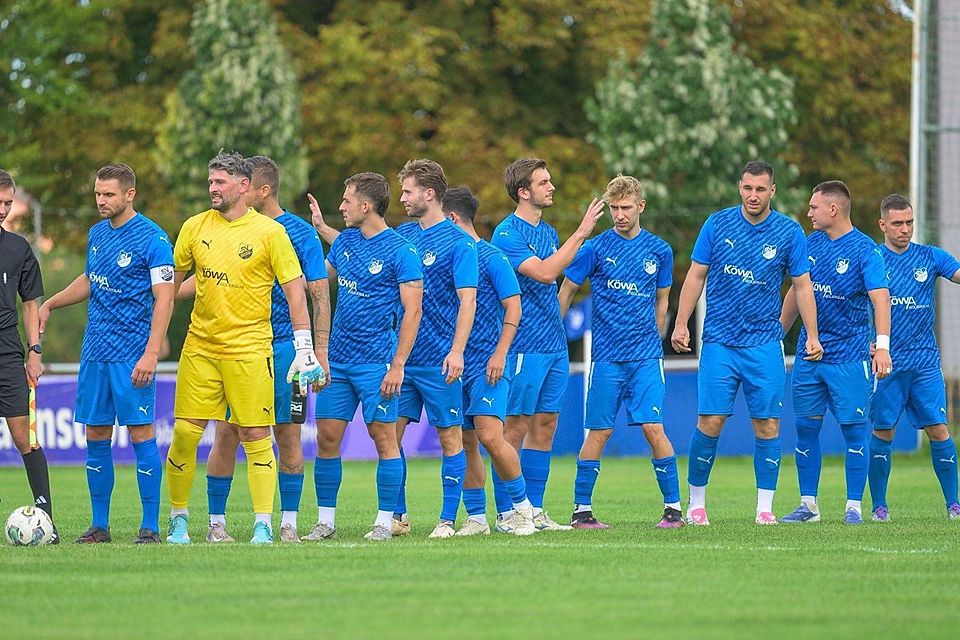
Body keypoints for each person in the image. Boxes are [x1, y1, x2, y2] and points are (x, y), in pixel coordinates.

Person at [165, 152, 324, 545]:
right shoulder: (193, 227)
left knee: (257, 433)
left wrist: (307, 348)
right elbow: (170, 289)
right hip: (200, 348)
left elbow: (297, 294)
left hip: (253, 350)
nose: (213, 189)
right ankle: (181, 519)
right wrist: (156, 338)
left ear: (244, 186)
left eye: (220, 182)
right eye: (210, 182)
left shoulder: (272, 233)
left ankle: (265, 524)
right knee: (186, 433)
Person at [671, 160, 822, 525]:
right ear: (740, 187)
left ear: (772, 192)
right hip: (720, 342)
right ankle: (696, 504)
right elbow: (695, 275)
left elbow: (802, 286)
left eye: (761, 189)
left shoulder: (788, 231)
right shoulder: (717, 223)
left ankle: (764, 509)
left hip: (765, 344)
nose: (753, 195)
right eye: (747, 188)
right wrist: (680, 323)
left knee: (768, 425)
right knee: (710, 421)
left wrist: (812, 335)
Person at [39, 163, 174, 544]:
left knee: (140, 433)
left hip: (132, 354)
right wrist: (51, 304)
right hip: (95, 351)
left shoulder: (153, 238)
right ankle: (100, 525)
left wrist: (151, 352)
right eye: (98, 194)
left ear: (129, 194)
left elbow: (164, 298)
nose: (101, 201)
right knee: (95, 432)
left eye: (108, 194)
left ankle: (149, 528)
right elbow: (89, 280)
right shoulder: (97, 233)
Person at [304, 172, 422, 541]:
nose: (341, 206)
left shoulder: (402, 251)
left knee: (384, 439)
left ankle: (385, 522)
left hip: (378, 363)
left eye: (347, 200)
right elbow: (320, 285)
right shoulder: (345, 243)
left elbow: (413, 312)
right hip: (336, 360)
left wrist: (398, 365)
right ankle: (326, 522)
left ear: (366, 206)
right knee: (326, 438)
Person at [559, 175, 682, 529]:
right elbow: (567, 290)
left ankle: (673, 509)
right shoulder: (595, 248)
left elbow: (663, 300)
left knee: (653, 428)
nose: (619, 215)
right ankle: (582, 511)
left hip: (645, 358)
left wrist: (656, 339)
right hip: (607, 359)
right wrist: (554, 330)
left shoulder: (659, 250)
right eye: (614, 208)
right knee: (598, 432)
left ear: (640, 206)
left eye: (625, 208)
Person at [490, 157, 605, 531]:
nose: (551, 186)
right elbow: (544, 273)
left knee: (546, 425)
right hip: (522, 344)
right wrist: (582, 232)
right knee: (514, 428)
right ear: (523, 192)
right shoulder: (507, 234)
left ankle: (535, 511)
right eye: (543, 182)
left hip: (553, 344)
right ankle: (509, 513)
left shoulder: (550, 233)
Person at [780, 180, 892, 525]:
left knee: (854, 431)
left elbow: (881, 298)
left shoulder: (864, 250)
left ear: (833, 209)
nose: (809, 212)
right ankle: (808, 505)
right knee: (805, 430)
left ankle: (854, 506)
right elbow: (797, 293)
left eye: (814, 207)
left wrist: (883, 347)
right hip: (810, 357)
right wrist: (776, 337)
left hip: (849, 357)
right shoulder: (809, 243)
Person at [391, 159, 477, 539]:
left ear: (429, 194)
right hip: (402, 360)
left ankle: (446, 520)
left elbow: (468, 301)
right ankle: (397, 516)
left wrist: (457, 351)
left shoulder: (459, 242)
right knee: (388, 437)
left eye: (408, 191)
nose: (402, 197)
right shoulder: (403, 235)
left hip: (440, 360)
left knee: (450, 438)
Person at [444, 185, 536, 536]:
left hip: (488, 362)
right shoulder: (448, 257)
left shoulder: (493, 257)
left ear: (451, 217)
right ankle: (478, 518)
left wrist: (499, 353)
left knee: (490, 436)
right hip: (456, 365)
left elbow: (514, 307)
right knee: (466, 441)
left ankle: (522, 509)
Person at [867, 194, 959, 521]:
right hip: (886, 364)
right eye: (897, 223)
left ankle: (954, 504)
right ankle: (879, 506)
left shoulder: (929, 256)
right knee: (884, 433)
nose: (905, 229)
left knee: (939, 429)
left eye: (909, 222)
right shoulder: (872, 258)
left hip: (924, 363)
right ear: (882, 225)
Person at [0, 168, 57, 543]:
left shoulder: (18, 248)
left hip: (7, 348)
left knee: (26, 438)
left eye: (7, 203)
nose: (3, 209)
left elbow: (31, 303)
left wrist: (34, 350)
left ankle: (46, 522)